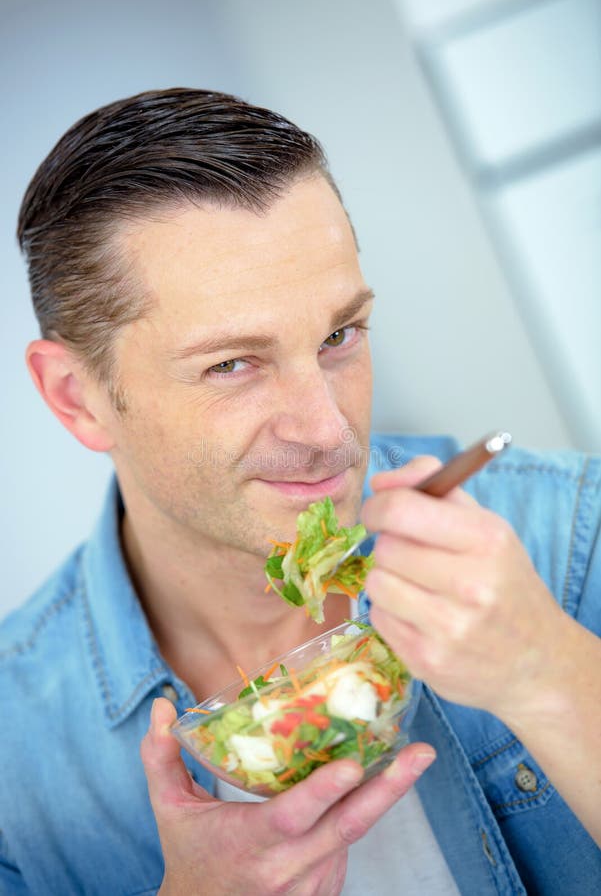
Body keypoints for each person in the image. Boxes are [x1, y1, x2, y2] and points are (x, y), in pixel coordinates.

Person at [1, 88, 599, 896]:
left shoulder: (573, 539)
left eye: (337, 336)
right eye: (230, 364)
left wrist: (551, 676)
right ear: (76, 395)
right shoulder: (15, 763)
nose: (327, 431)